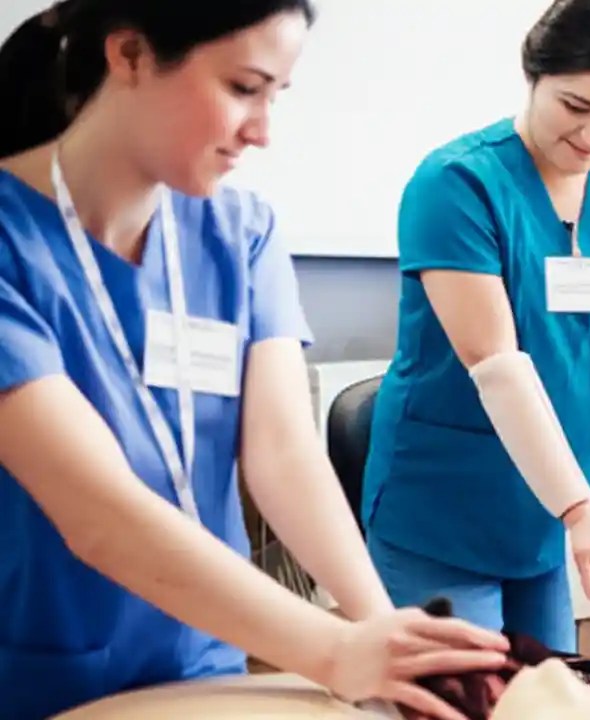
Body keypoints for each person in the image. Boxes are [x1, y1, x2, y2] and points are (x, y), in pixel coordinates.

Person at [0, 3, 510, 719]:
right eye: (244, 88)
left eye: (277, 96)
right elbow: (99, 515)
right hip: (42, 674)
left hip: (211, 661)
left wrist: (381, 635)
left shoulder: (242, 233)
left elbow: (283, 456)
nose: (263, 131)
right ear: (131, 56)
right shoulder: (12, 247)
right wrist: (333, 652)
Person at [361, 0, 590, 654]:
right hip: (444, 509)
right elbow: (495, 361)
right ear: (533, 75)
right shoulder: (456, 183)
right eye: (576, 108)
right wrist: (580, 509)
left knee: (547, 693)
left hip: (550, 513)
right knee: (464, 699)